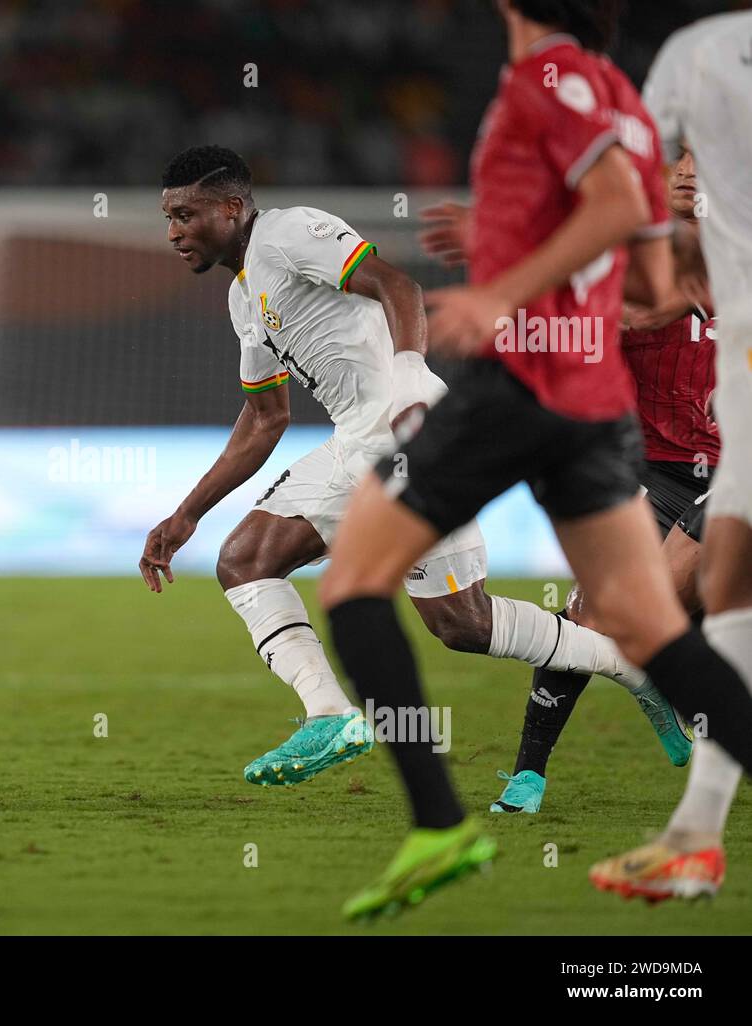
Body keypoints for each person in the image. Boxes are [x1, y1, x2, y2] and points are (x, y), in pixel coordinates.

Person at [317, 0, 752, 920]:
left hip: (521, 383)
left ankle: (440, 824)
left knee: (354, 583)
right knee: (647, 633)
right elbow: (646, 280)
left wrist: (501, 287)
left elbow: (608, 212)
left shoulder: (542, 81)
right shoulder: (628, 109)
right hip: (596, 407)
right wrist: (510, 243)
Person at [142, 143, 656, 791]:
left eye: (185, 215)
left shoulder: (289, 231)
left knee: (249, 562)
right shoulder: (244, 300)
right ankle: (637, 668)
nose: (174, 233)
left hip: (399, 426)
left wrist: (410, 380)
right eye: (168, 219)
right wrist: (187, 512)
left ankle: (331, 713)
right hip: (372, 436)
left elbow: (396, 284)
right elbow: (264, 420)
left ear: (232, 207)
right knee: (462, 624)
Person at [589, 8, 752, 902]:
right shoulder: (700, 57)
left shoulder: (701, 57)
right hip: (728, 435)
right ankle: (695, 836)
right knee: (714, 605)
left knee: (701, 608)